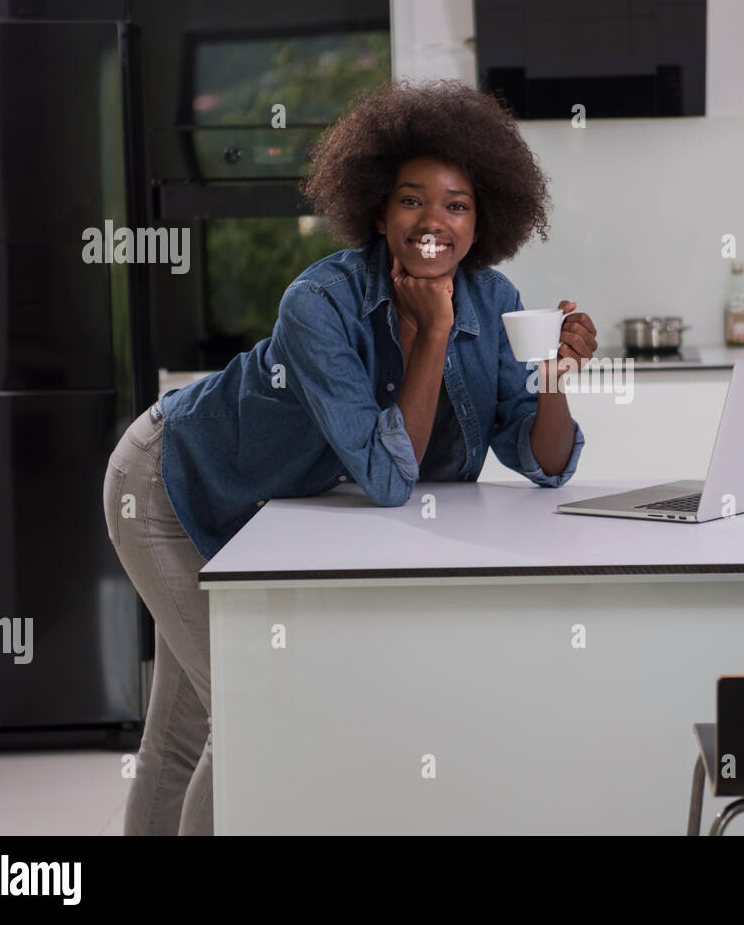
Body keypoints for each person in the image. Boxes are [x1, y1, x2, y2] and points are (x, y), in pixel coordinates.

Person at [101, 79, 596, 835]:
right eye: (411, 199)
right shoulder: (320, 302)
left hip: (260, 510)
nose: (433, 219)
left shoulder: (494, 299)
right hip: (172, 483)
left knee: (183, 729)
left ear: (481, 220)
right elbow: (389, 477)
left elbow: (540, 458)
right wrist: (433, 333)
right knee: (243, 715)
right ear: (375, 209)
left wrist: (552, 380)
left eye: (456, 203)